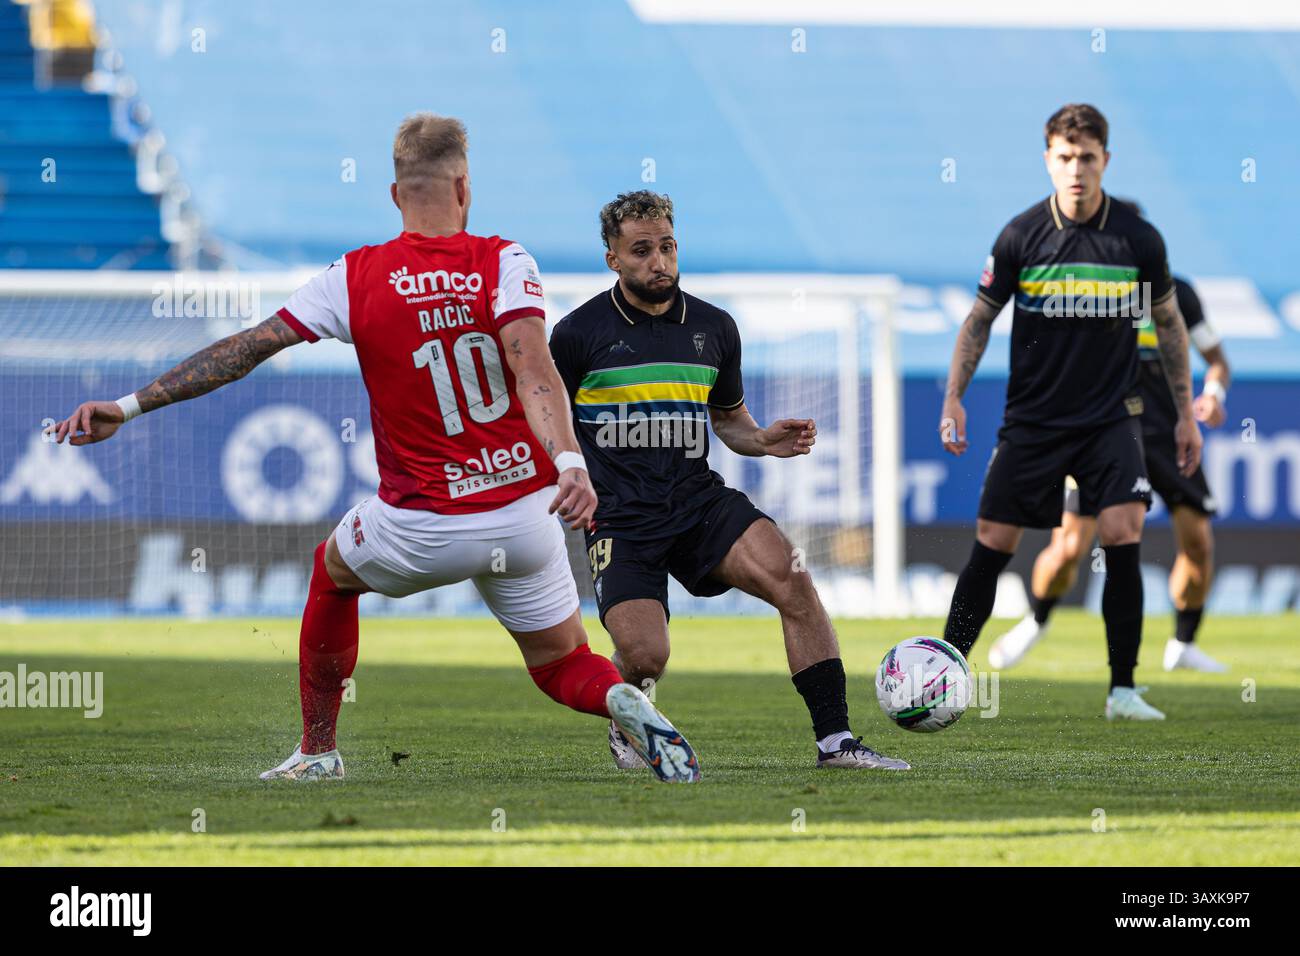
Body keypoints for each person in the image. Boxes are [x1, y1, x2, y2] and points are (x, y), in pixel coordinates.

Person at [54, 114, 700, 783]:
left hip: (421, 525)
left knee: (331, 575)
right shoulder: (505, 260)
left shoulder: (356, 275)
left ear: (396, 194)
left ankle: (317, 750)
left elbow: (247, 349)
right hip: (526, 512)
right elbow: (534, 365)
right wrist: (569, 461)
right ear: (463, 185)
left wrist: (129, 406)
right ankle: (620, 697)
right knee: (563, 662)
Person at [549, 190, 910, 770]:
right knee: (646, 654)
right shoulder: (576, 335)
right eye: (641, 250)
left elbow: (728, 421)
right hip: (620, 516)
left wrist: (764, 439)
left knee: (794, 583)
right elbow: (548, 419)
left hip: (697, 504)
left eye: (667, 246)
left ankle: (835, 742)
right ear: (613, 258)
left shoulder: (715, 328)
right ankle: (628, 716)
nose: (658, 260)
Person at [938, 105, 1201, 721]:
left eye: (1087, 156)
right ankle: (944, 672)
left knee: (1122, 533)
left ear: (1105, 159)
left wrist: (1185, 413)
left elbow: (1169, 325)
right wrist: (954, 394)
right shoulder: (1021, 235)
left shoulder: (1137, 240)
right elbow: (979, 320)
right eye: (1064, 156)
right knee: (994, 541)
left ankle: (1124, 690)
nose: (1076, 168)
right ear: (1048, 160)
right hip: (1033, 421)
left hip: (1112, 418)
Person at [990, 231, 1230, 674]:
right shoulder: (1086, 292)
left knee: (1198, 541)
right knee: (1069, 547)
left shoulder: (1180, 294)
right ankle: (1035, 622)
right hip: (1102, 430)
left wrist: (1212, 393)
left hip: (1166, 432)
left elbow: (1217, 360)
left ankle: (1182, 644)